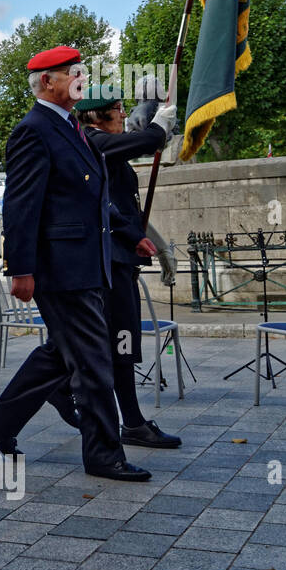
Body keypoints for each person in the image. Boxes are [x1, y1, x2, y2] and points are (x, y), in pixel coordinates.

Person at [0, 47, 153, 481]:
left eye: (81, 72)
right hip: (61, 269)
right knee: (93, 362)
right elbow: (20, 206)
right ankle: (104, 454)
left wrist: (133, 235)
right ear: (47, 82)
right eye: (72, 73)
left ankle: (1, 419)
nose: (80, 78)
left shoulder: (71, 127)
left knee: (62, 354)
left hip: (88, 265)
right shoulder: (33, 130)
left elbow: (91, 199)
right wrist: (20, 269)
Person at [41, 83, 180, 448]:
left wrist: (155, 242)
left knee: (110, 343)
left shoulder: (101, 143)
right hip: (108, 262)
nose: (124, 114)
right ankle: (127, 420)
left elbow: (121, 206)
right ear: (99, 116)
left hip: (121, 257)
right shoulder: (92, 142)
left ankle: (61, 392)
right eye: (118, 109)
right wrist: (159, 128)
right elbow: (138, 145)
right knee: (115, 343)